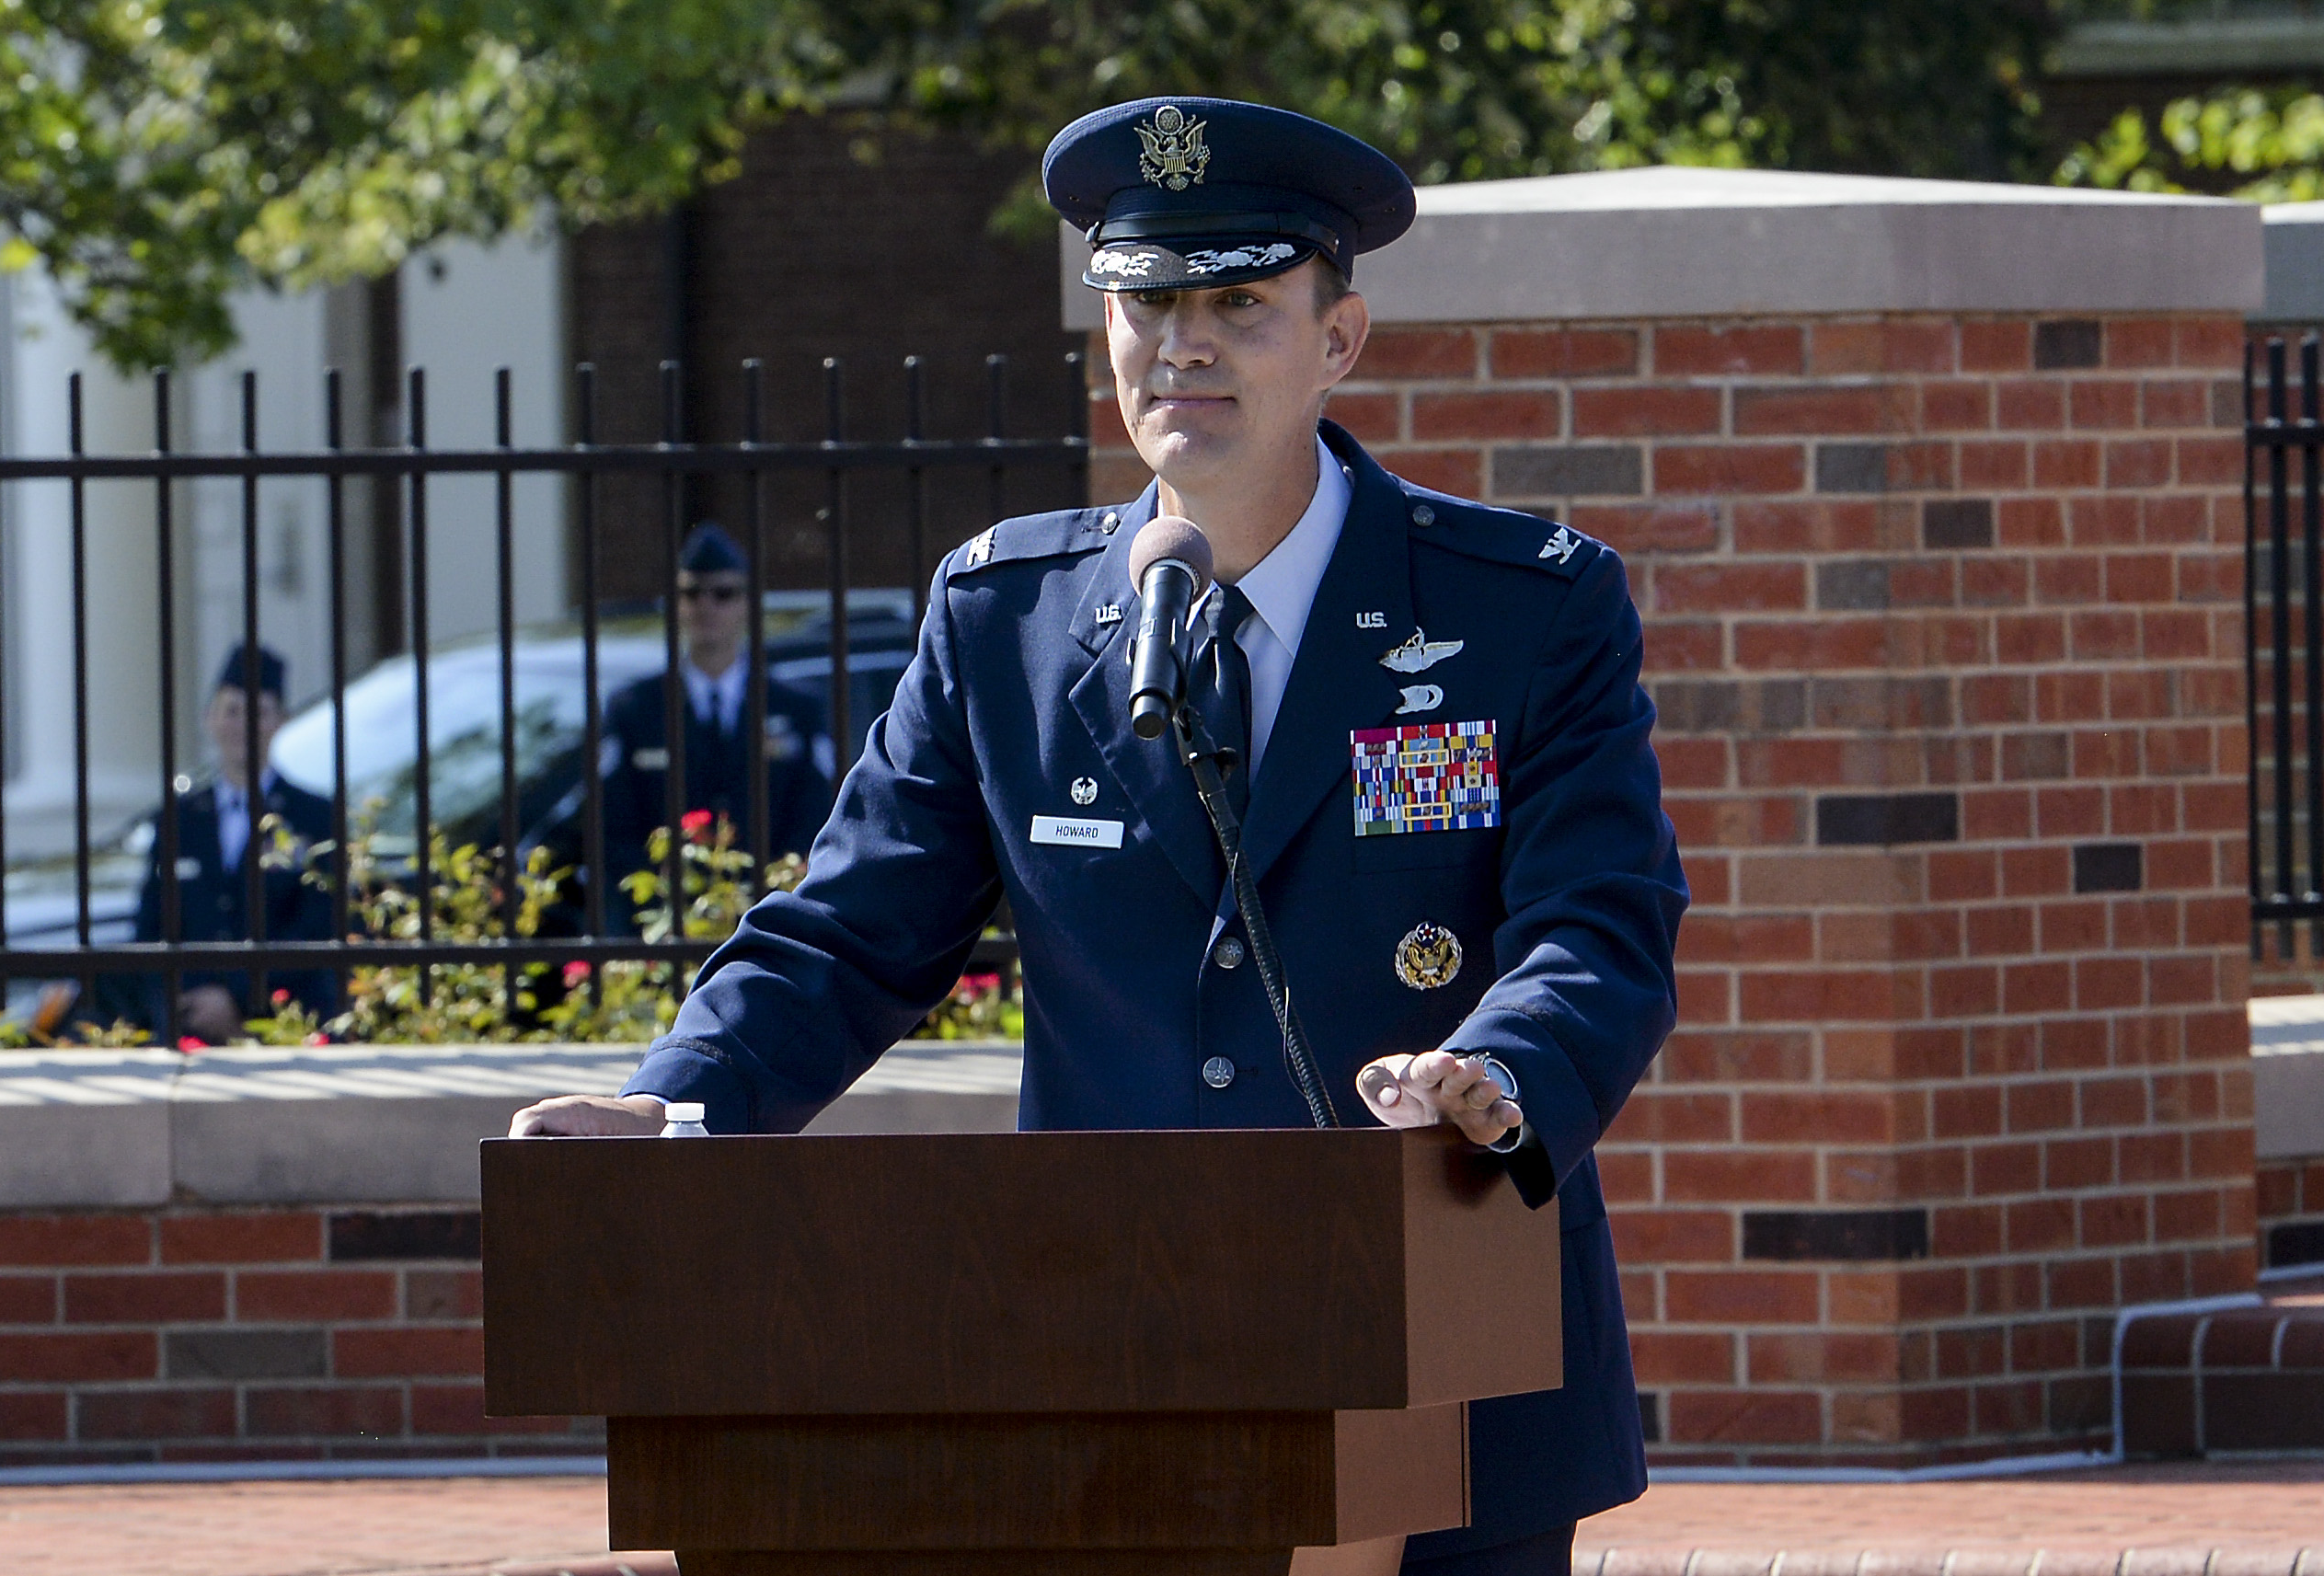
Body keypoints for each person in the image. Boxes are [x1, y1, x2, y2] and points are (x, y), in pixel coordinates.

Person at [512, 97, 1685, 1575]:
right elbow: (851, 930)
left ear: (1339, 339)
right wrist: (676, 1107)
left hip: (1444, 1361)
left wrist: (1494, 1071)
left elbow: (1600, 923)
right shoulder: (1008, 621)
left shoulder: (1522, 608)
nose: (1181, 343)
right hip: (1118, 1367)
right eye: (1145, 301)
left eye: (1240, 302)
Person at [595, 521, 834, 930]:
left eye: (723, 594)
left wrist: (780, 894)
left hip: (769, 920)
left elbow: (818, 816)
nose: (706, 606)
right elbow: (611, 824)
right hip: (665, 923)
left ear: (747, 604)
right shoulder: (635, 709)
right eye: (691, 593)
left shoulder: (797, 709)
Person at [116, 644, 339, 1042]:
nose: (243, 725)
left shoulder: (315, 817)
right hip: (186, 1022)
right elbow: (151, 925)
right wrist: (189, 1000)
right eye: (231, 711)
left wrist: (235, 997)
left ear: (280, 721)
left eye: (258, 713)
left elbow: (321, 924)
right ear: (210, 719)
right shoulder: (179, 818)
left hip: (283, 1022)